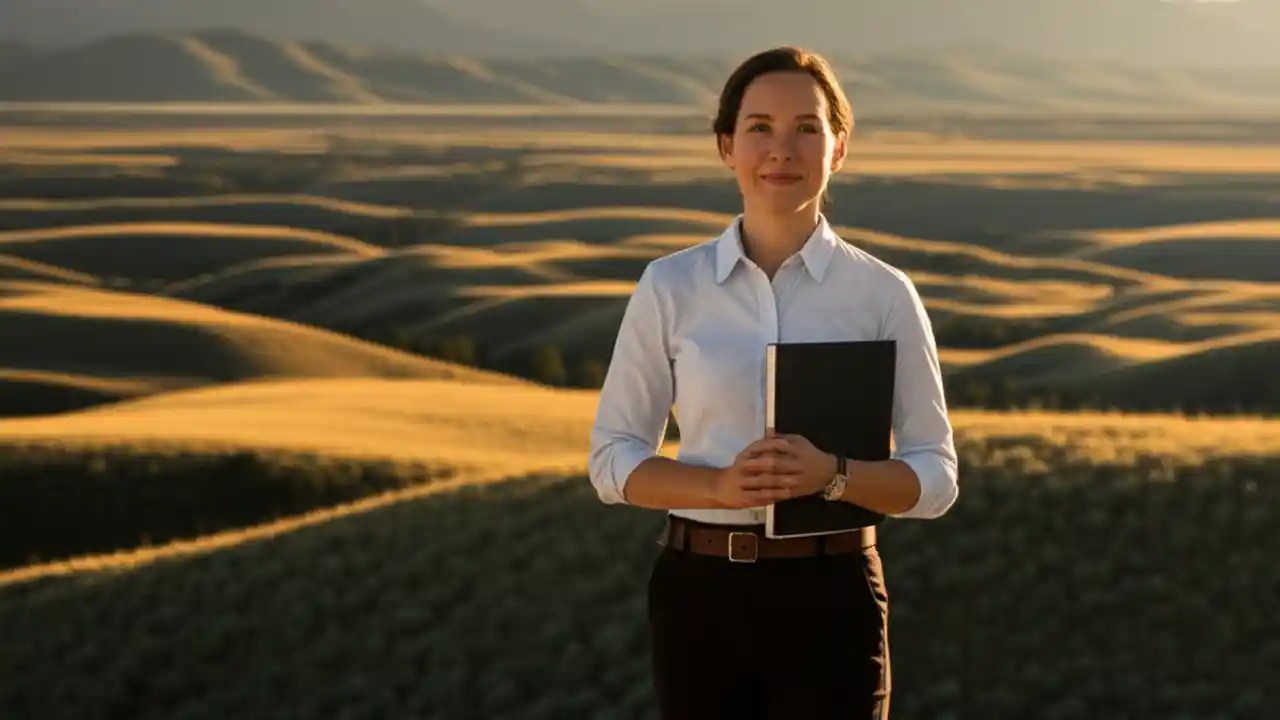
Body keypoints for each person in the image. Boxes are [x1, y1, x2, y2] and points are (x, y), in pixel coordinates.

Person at [588, 46, 958, 719]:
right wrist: (717, 488)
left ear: (839, 148)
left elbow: (935, 479)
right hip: (698, 598)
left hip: (834, 595)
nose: (780, 150)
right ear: (727, 146)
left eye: (806, 129)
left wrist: (833, 475)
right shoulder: (669, 287)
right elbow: (614, 459)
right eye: (759, 127)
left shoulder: (883, 295)